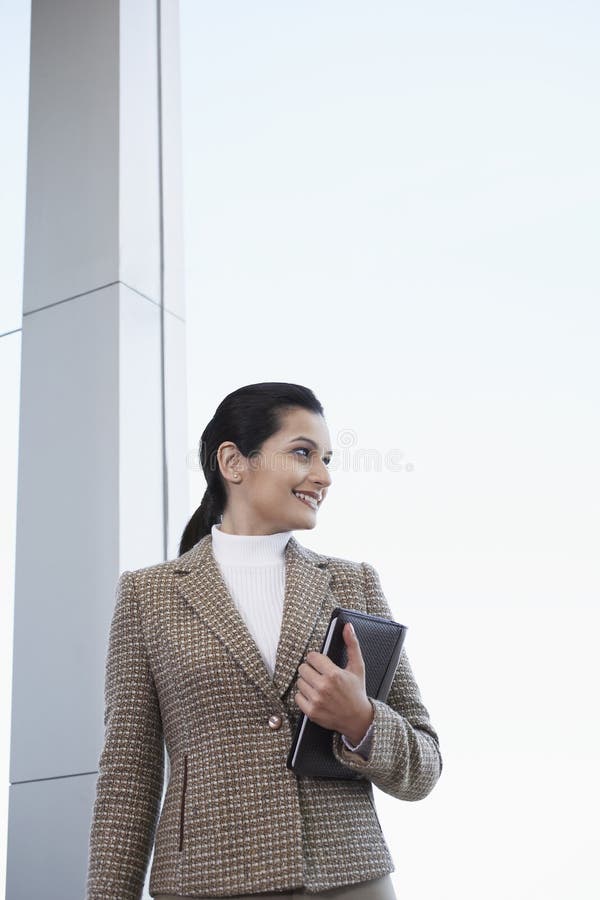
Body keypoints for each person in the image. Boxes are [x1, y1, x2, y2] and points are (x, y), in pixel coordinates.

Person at [86, 382, 442, 900]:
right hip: (206, 881)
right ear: (233, 462)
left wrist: (360, 719)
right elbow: (128, 776)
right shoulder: (148, 595)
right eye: (302, 453)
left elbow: (424, 766)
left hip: (350, 880)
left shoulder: (354, 582)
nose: (322, 476)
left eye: (326, 458)